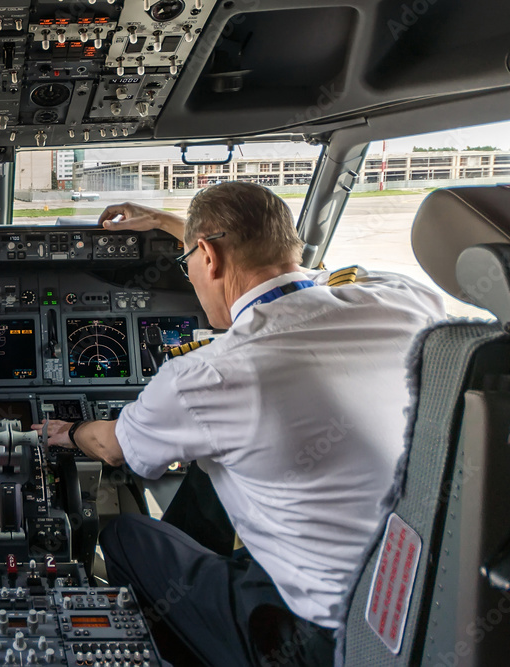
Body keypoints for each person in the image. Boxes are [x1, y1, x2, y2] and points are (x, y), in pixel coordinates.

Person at [33, 182, 446, 667]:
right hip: (424, 590)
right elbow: (305, 275)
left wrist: (69, 431)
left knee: (124, 535)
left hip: (320, 639)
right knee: (216, 467)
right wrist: (168, 223)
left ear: (207, 255)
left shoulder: (206, 374)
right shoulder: (405, 300)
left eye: (188, 259)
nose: (189, 274)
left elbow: (114, 448)